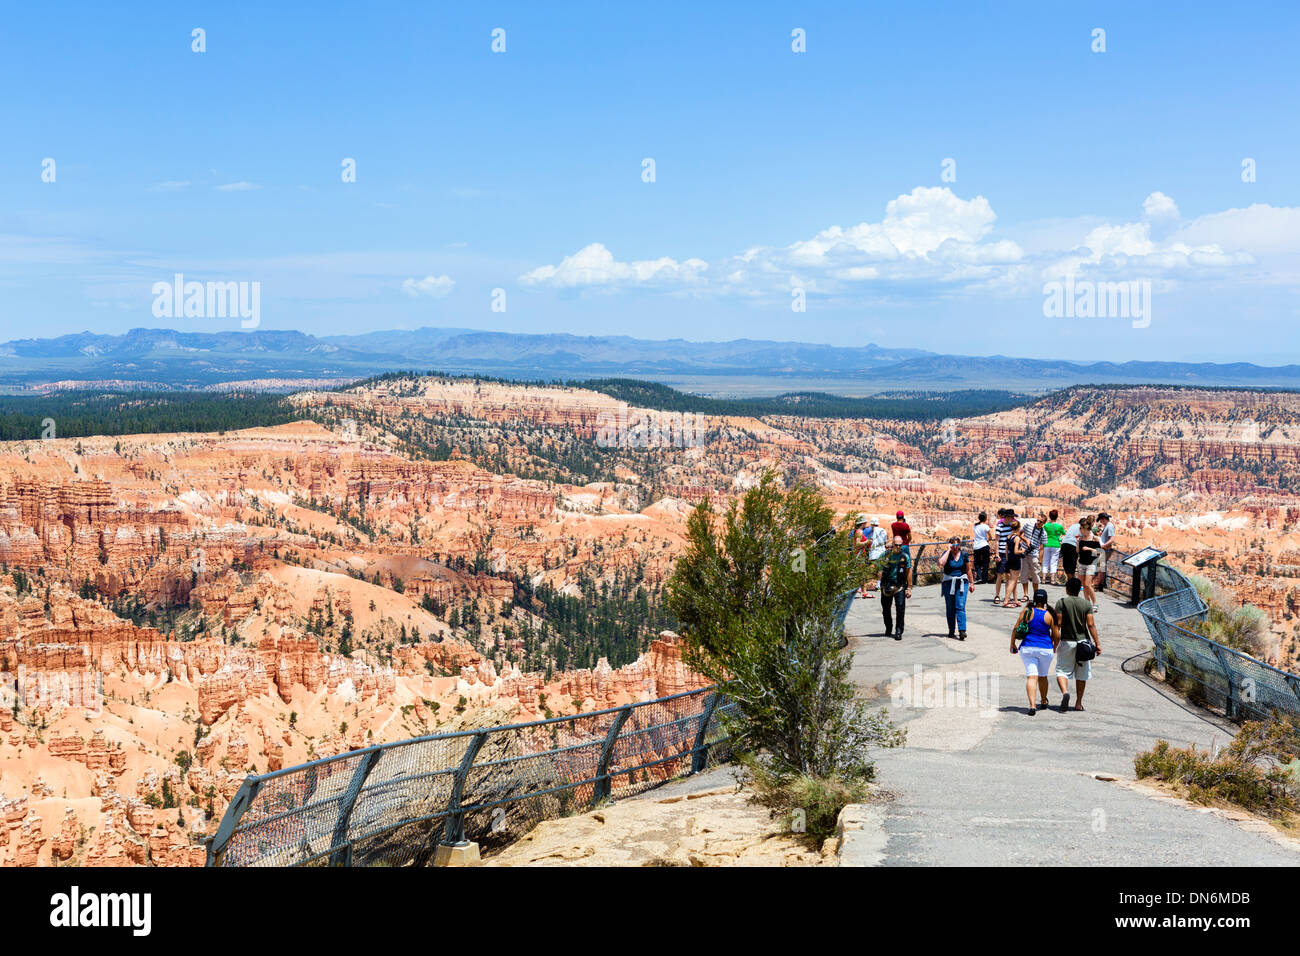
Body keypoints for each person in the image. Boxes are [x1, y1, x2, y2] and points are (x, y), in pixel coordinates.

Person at [1053, 577, 1101, 711]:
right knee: (1081, 674)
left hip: (1067, 641)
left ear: (1067, 589)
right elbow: (1091, 625)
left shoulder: (1061, 602)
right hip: (1083, 643)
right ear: (1080, 589)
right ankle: (1078, 703)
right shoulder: (1086, 604)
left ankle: (1065, 692)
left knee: (1062, 671)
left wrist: (1054, 642)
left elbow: (1059, 624)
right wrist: (1097, 643)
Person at [1010, 588, 1056, 715]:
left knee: (1031, 676)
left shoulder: (1027, 611)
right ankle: (1043, 701)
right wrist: (1054, 646)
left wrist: (1012, 644)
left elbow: (1015, 628)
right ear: (1045, 601)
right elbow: (1056, 635)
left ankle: (1032, 705)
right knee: (1043, 676)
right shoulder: (1049, 615)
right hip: (1045, 649)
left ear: (1034, 599)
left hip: (1028, 647)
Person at [940, 535, 975, 640]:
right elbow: (941, 563)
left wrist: (971, 583)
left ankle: (962, 630)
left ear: (959, 545)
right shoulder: (946, 554)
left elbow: (968, 569)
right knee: (950, 608)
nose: (955, 547)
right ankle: (951, 630)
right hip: (948, 583)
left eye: (957, 545)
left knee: (960, 605)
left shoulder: (964, 554)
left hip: (961, 582)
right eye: (953, 545)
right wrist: (947, 551)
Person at [878, 536, 912, 640]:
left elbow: (908, 571)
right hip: (887, 585)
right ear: (892, 544)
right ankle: (888, 627)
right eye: (896, 545)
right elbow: (879, 569)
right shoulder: (885, 555)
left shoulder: (905, 556)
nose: (898, 547)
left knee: (900, 608)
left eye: (900, 545)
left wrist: (909, 587)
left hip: (899, 586)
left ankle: (898, 631)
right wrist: (881, 583)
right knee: (886, 609)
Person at [1076, 516, 1101, 612]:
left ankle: (1095, 603)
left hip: (1091, 563)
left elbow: (1098, 552)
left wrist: (1089, 549)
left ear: (1086, 529)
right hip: (1082, 563)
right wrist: (1078, 543)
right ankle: (1087, 603)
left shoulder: (1094, 539)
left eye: (1081, 529)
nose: (1080, 530)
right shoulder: (1081, 539)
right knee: (1083, 584)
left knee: (1087, 584)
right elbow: (1078, 551)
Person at [1002, 519, 1023, 608]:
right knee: (1013, 581)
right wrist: (1022, 551)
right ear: (1018, 528)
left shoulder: (1008, 536)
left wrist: (1007, 559)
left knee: (1013, 580)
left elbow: (1006, 550)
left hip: (1009, 559)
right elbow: (1015, 551)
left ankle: (1015, 599)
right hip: (1015, 560)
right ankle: (1006, 600)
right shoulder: (1017, 538)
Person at [1042, 509, 1065, 584]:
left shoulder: (1045, 526)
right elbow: (1063, 533)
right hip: (1056, 545)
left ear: (1049, 516)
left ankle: (1044, 579)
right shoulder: (1059, 526)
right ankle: (1052, 580)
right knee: (1053, 562)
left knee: (1045, 561)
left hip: (1047, 544)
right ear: (1057, 517)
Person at [1095, 512, 1116, 592]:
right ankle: (1100, 585)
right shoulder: (1108, 526)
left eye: (1100, 520)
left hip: (1105, 549)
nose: (1100, 522)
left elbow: (1112, 539)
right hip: (1104, 549)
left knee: (1101, 568)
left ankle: (1098, 585)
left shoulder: (1110, 526)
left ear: (1103, 519)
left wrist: (1103, 545)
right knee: (1101, 568)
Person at [853, 515, 873, 598]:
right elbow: (857, 544)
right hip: (860, 554)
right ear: (862, 523)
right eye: (865, 523)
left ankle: (861, 590)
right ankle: (864, 592)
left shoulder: (858, 531)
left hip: (861, 554)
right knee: (862, 574)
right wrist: (867, 542)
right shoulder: (859, 532)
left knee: (860, 573)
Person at [1060, 515, 1081, 583]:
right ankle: (1071, 581)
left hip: (1064, 544)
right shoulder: (1081, 528)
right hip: (1072, 545)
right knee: (1072, 564)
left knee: (1066, 563)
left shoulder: (1073, 526)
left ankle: (1070, 580)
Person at [972, 511, 991, 583]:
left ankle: (979, 577)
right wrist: (988, 540)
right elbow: (990, 536)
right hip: (984, 545)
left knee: (977, 563)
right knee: (986, 562)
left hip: (976, 546)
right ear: (985, 518)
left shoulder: (975, 526)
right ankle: (984, 579)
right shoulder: (986, 526)